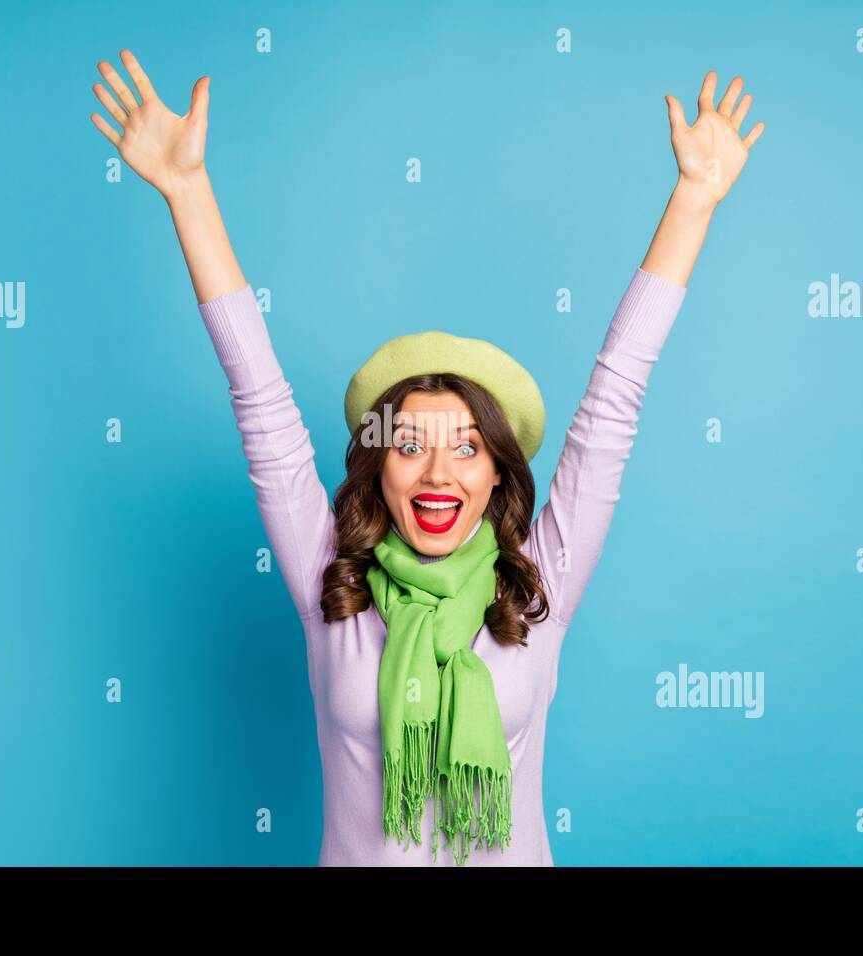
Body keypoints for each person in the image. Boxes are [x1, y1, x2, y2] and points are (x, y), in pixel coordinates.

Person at [89, 51, 765, 866]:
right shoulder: (329, 583)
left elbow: (613, 404)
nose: (439, 472)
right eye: (409, 446)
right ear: (378, 467)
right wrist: (189, 193)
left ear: (495, 477)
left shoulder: (536, 586)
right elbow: (260, 401)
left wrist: (693, 201)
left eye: (466, 449)